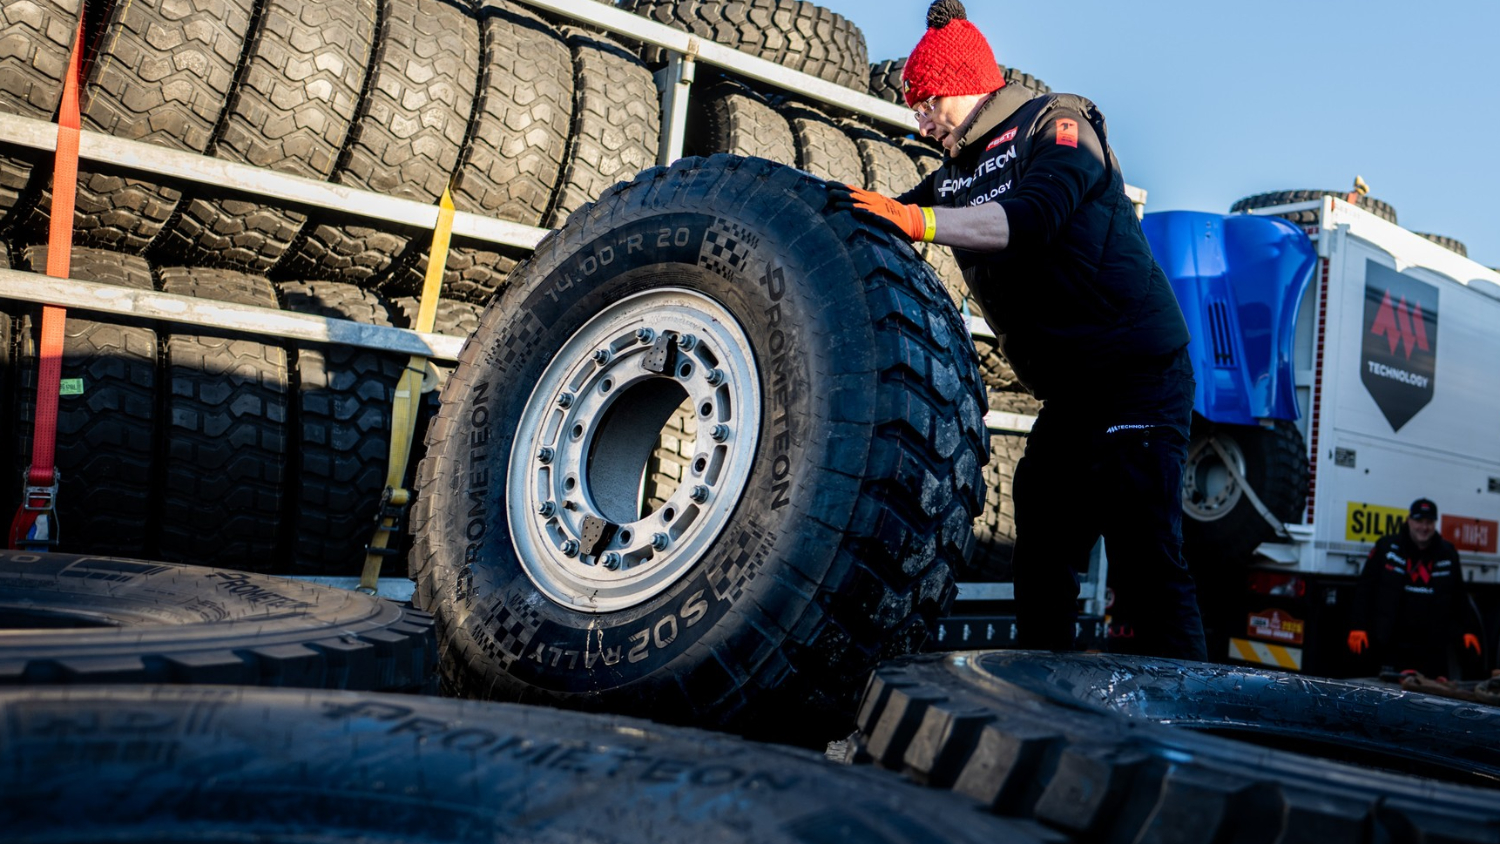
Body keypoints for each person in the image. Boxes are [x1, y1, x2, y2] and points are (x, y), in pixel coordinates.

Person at [827, 0, 1206, 660]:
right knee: (1041, 546)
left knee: (1144, 555)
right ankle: (1041, 692)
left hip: (1140, 376)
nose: (919, 120)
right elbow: (889, 217)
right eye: (914, 107)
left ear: (964, 85)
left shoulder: (1057, 123)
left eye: (926, 102)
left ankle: (1190, 716)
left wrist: (918, 221)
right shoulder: (953, 175)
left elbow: (1031, 219)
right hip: (1073, 395)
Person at [1348, 498, 1482, 679]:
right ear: (1409, 521)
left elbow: (1459, 596)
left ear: (1435, 524)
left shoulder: (1448, 553)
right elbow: (1366, 589)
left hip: (1431, 648)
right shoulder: (1387, 548)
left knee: (1430, 693)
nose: (1424, 527)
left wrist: (1468, 630)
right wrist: (1358, 626)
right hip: (1391, 643)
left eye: (1429, 522)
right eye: (1419, 521)